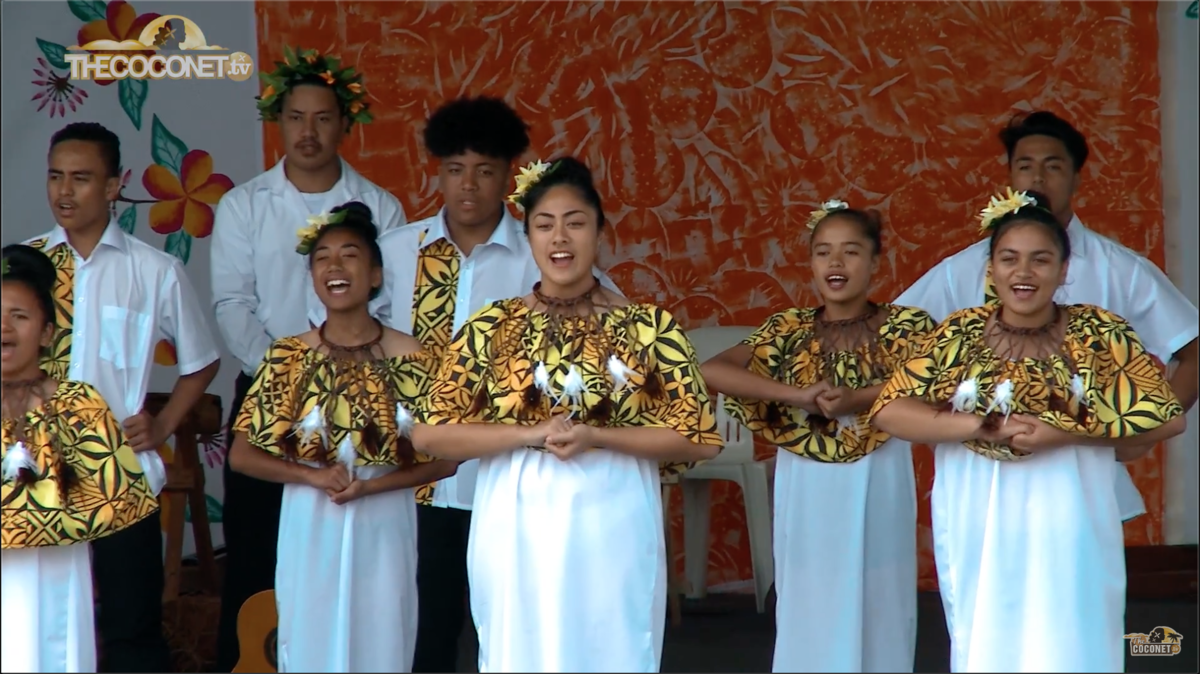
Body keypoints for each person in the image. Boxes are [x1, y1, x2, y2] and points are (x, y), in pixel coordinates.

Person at [305, 95, 619, 672]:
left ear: (508, 177)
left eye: (484, 170)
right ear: (438, 173)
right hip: (405, 479)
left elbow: (608, 327)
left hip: (508, 483)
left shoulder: (541, 253)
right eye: (454, 170)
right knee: (420, 635)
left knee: (512, 634)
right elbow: (336, 335)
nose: (468, 185)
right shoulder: (398, 251)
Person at [411, 157, 724, 673]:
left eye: (575, 222)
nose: (560, 237)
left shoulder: (648, 327)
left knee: (612, 645)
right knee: (520, 649)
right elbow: (430, 432)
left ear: (600, 232)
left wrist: (598, 435)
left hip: (615, 511)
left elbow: (700, 438)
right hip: (514, 515)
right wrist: (529, 433)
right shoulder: (491, 327)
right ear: (528, 237)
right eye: (544, 224)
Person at [871, 189, 1187, 673]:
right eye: (1009, 259)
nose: (1023, 273)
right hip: (977, 504)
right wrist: (979, 424)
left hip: (1073, 505)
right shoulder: (958, 332)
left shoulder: (1100, 332)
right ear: (990, 269)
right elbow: (888, 410)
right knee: (988, 633)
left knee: (1070, 630)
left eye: (1041, 260)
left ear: (1063, 271)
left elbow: (1168, 415)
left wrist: (1068, 434)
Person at [895, 111, 1199, 523]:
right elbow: (894, 345)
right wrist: (961, 424)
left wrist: (1138, 434)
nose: (1037, 178)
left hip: (1081, 477)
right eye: (1025, 166)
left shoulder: (1120, 271)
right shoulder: (960, 272)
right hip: (979, 485)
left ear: (1075, 177)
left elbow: (1191, 350)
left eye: (1053, 166)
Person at [210, 47, 407, 671]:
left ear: (344, 125)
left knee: (363, 544)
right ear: (280, 123)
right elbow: (233, 302)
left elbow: (396, 306)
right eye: (296, 118)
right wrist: (292, 375)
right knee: (254, 554)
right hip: (271, 393)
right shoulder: (244, 205)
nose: (309, 132)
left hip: (371, 393)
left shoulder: (382, 206)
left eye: (323, 119)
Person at [700, 202, 935, 673]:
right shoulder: (787, 330)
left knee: (879, 589)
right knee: (810, 589)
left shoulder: (909, 328)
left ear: (875, 263)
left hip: (879, 473)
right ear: (809, 263)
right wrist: (797, 395)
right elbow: (712, 370)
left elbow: (936, 381)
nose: (836, 263)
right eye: (823, 252)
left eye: (851, 252)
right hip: (806, 479)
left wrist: (861, 398)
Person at [227, 201, 455, 672]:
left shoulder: (414, 356)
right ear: (312, 277)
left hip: (387, 516)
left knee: (383, 634)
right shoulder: (288, 356)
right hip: (311, 517)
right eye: (322, 258)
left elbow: (445, 460)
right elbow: (242, 456)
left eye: (349, 255)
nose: (335, 266)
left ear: (375, 275)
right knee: (310, 636)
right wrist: (311, 478)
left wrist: (370, 486)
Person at [27, 122, 222, 673]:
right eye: (56, 177)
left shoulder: (155, 270)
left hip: (119, 475)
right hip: (35, 473)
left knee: (131, 627)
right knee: (42, 621)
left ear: (115, 186)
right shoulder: (24, 266)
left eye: (82, 179)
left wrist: (162, 428)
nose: (65, 192)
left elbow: (201, 359)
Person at [1, 245, 159, 674]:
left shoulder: (79, 405)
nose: (4, 327)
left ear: (48, 333)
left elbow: (121, 501)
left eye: (20, 315)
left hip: (56, 577)